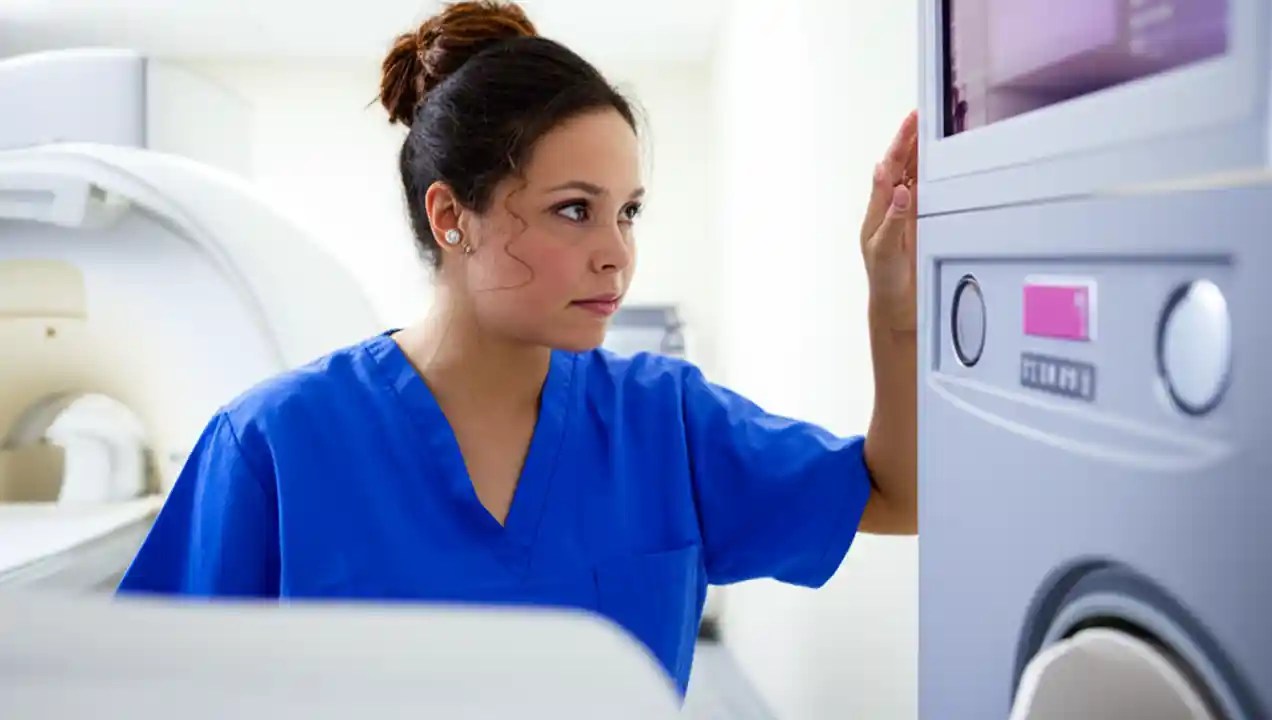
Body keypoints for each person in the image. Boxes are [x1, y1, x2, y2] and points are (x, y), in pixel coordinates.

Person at [118, 0, 919, 697]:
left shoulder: (662, 421)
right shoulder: (274, 445)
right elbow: (142, 690)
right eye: (574, 210)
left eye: (628, 213)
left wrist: (894, 310)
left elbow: (900, 497)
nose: (617, 254)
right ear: (451, 218)